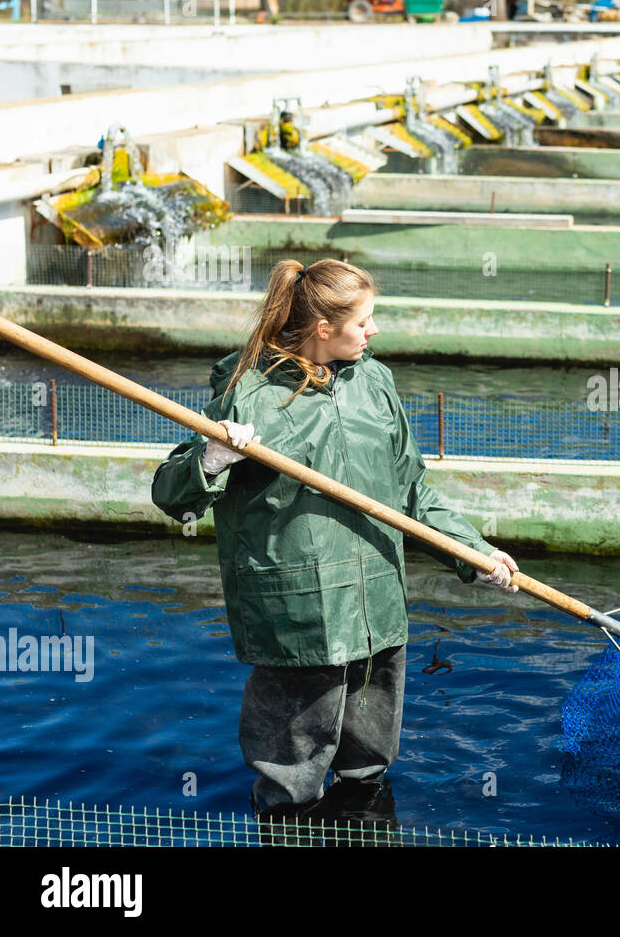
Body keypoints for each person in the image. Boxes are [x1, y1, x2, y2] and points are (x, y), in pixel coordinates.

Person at [151, 258, 520, 832]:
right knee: (289, 782)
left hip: (378, 606)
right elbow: (172, 496)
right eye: (364, 321)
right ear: (323, 327)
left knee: (367, 773)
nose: (374, 332)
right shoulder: (248, 393)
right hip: (300, 616)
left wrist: (475, 553)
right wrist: (213, 458)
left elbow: (412, 488)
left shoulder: (374, 381)